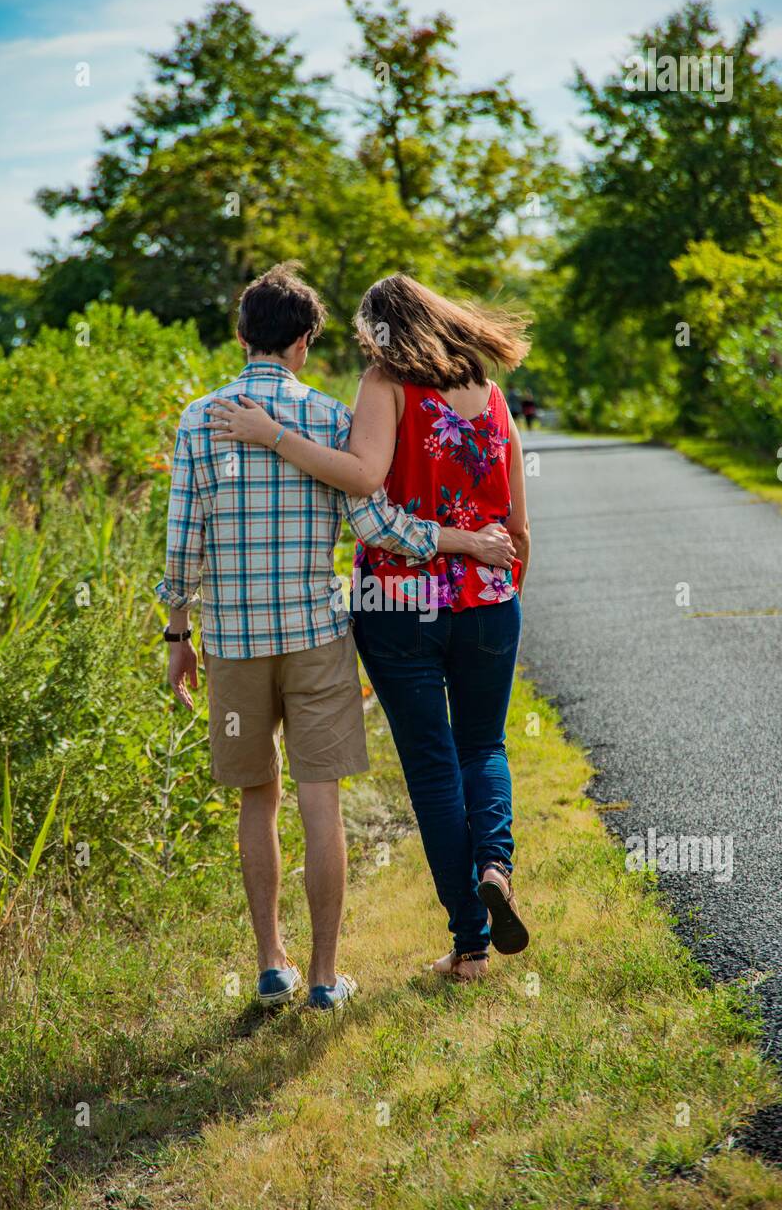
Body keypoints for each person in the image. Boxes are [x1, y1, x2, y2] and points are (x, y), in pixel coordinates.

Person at [156, 264, 515, 1009]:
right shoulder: (326, 416)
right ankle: (324, 979)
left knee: (259, 796)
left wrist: (177, 631)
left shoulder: (200, 417)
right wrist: (469, 545)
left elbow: (181, 539)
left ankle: (269, 963)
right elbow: (374, 517)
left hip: (237, 636)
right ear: (304, 343)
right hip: (322, 628)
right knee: (326, 798)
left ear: (241, 334)